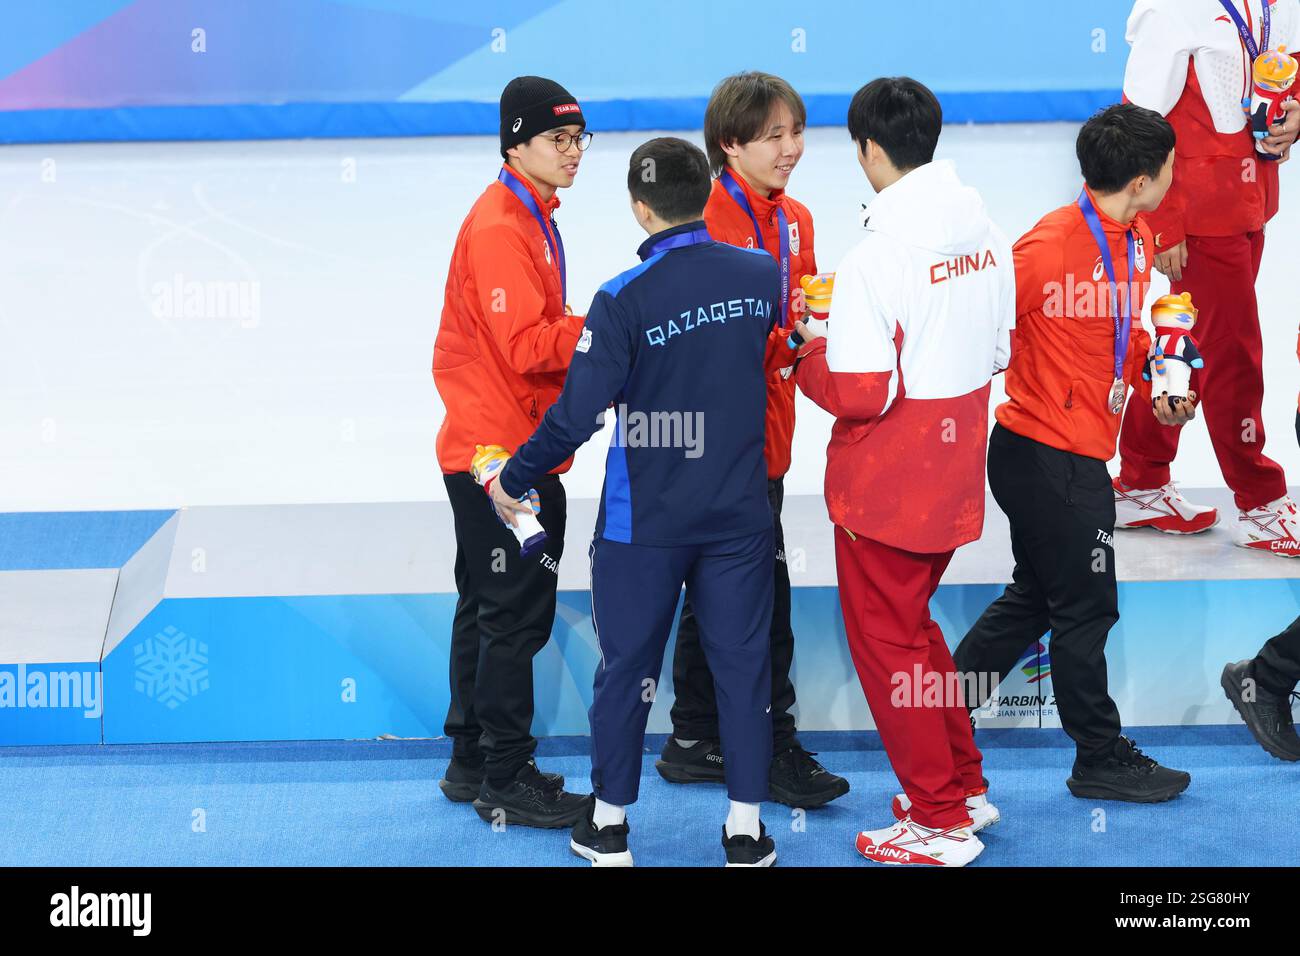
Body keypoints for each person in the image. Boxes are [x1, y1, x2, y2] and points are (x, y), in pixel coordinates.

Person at [488, 137, 784, 866]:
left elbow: (575, 416)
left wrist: (514, 478)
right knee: (743, 669)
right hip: (740, 518)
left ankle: (611, 825)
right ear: (706, 195)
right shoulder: (761, 275)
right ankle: (745, 834)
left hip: (642, 524)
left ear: (639, 207)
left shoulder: (621, 298)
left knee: (627, 669)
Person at [794, 77, 1014, 867]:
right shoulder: (986, 229)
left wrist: (804, 355)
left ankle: (938, 821)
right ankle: (961, 788)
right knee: (918, 635)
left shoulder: (874, 258)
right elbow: (998, 350)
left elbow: (859, 392)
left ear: (868, 150)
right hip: (954, 475)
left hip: (885, 490)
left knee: (893, 650)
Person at [954, 103, 1195, 806]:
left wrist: (1157, 386)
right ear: (1146, 180)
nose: (1175, 177)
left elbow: (1123, 335)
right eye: (1173, 167)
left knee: (1036, 599)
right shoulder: (1052, 245)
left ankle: (935, 717)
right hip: (1045, 457)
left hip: (1073, 452)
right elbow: (984, 323)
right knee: (1087, 607)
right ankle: (1097, 755)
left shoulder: (1137, 236)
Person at [654, 70, 850, 809]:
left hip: (767, 440)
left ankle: (695, 737)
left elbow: (793, 326)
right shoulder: (699, 218)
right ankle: (769, 746)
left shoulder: (795, 216)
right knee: (761, 600)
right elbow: (702, 346)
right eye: (774, 136)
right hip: (714, 447)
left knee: (719, 597)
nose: (791, 148)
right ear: (730, 144)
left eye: (797, 131)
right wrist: (788, 335)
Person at [431, 75, 592, 827]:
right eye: (558, 139)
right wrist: (602, 328)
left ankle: (470, 758)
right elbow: (528, 345)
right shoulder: (502, 226)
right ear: (515, 143)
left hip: (489, 446)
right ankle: (506, 773)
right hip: (504, 463)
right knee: (514, 620)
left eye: (578, 138)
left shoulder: (528, 214)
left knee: (484, 606)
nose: (573, 152)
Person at [1111, 0, 1300, 556]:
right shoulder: (1170, 8)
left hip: (1250, 199)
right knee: (1233, 353)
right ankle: (1260, 502)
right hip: (1197, 216)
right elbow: (1136, 121)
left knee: (1189, 342)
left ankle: (1142, 480)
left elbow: (1286, 61)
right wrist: (1163, 222)